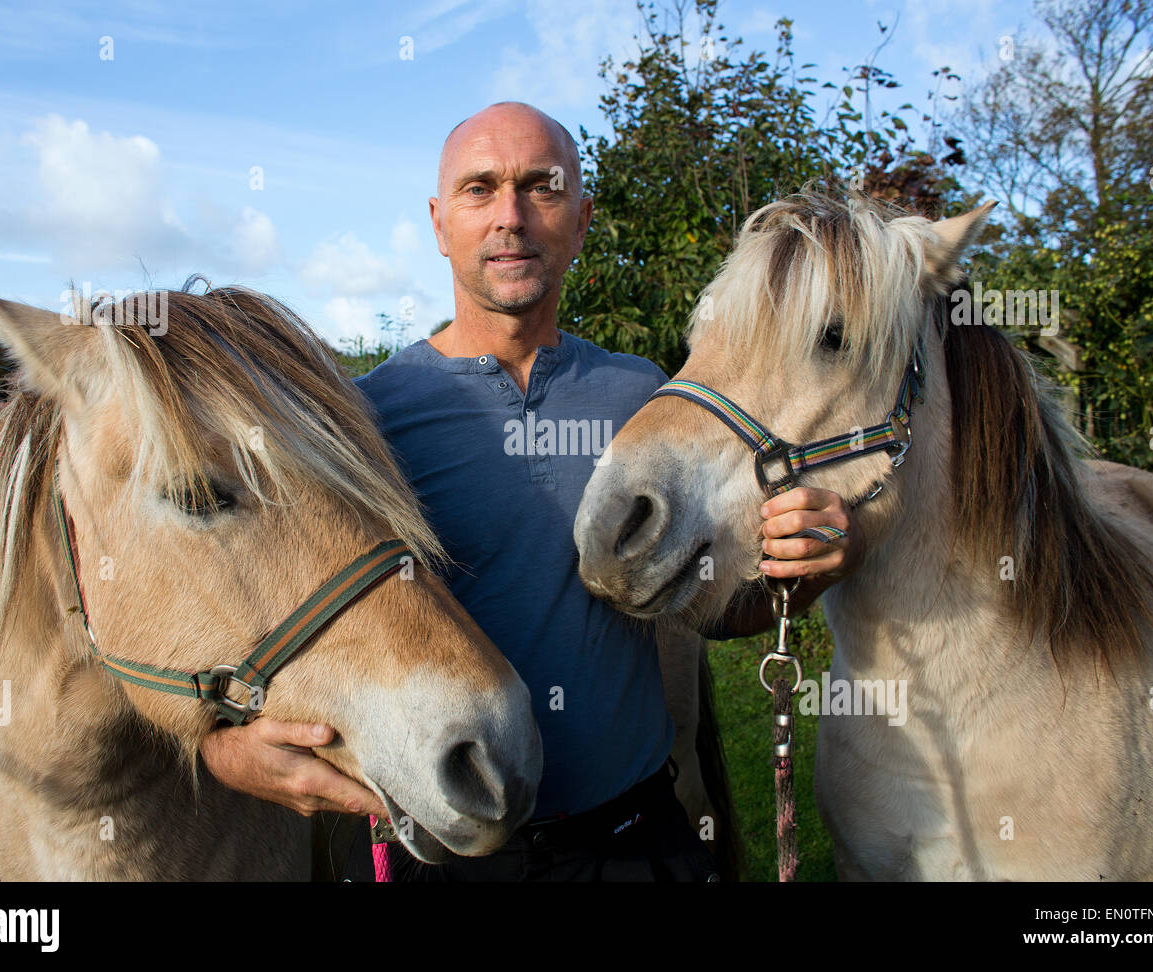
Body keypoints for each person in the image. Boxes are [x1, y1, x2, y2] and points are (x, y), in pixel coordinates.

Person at [198, 101, 861, 881]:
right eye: (480, 189)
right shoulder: (364, 422)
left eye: (540, 188)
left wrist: (806, 573)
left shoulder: (646, 398)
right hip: (442, 855)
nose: (510, 216)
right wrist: (222, 748)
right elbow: (256, 608)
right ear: (440, 224)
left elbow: (708, 608)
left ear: (580, 221)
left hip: (636, 840)